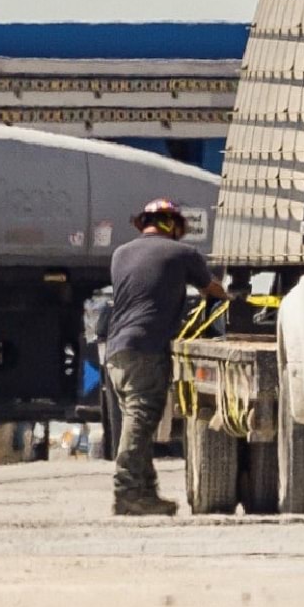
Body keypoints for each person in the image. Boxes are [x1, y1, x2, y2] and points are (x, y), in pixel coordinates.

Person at [106, 197, 225, 516]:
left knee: (137, 422)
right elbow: (213, 292)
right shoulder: (182, 253)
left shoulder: (120, 254)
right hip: (146, 350)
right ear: (172, 224)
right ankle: (127, 491)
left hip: (116, 352)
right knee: (141, 419)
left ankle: (144, 494)